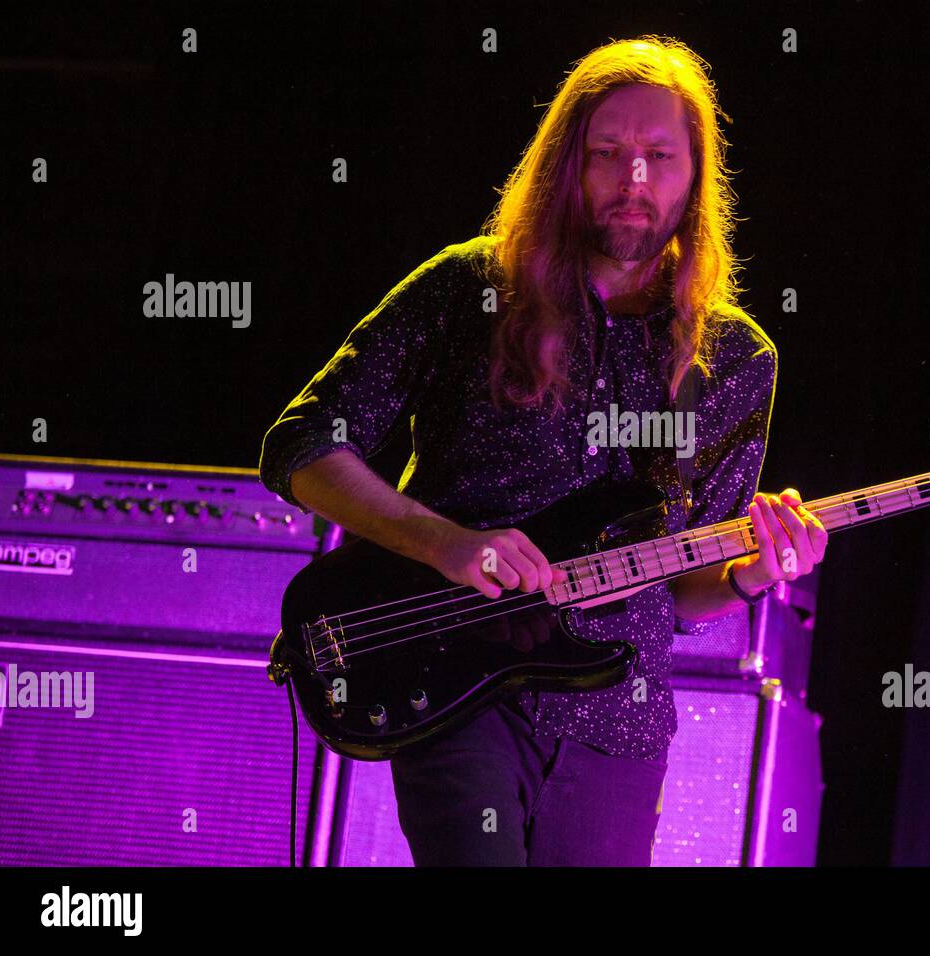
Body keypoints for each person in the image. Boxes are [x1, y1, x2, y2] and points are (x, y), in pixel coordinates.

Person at [259, 36, 827, 866]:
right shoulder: (467, 290)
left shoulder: (736, 357)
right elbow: (301, 443)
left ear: (696, 177)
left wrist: (753, 571)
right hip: (455, 679)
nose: (635, 182)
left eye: (660, 157)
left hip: (618, 718)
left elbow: (682, 598)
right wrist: (447, 543)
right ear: (568, 163)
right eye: (609, 154)